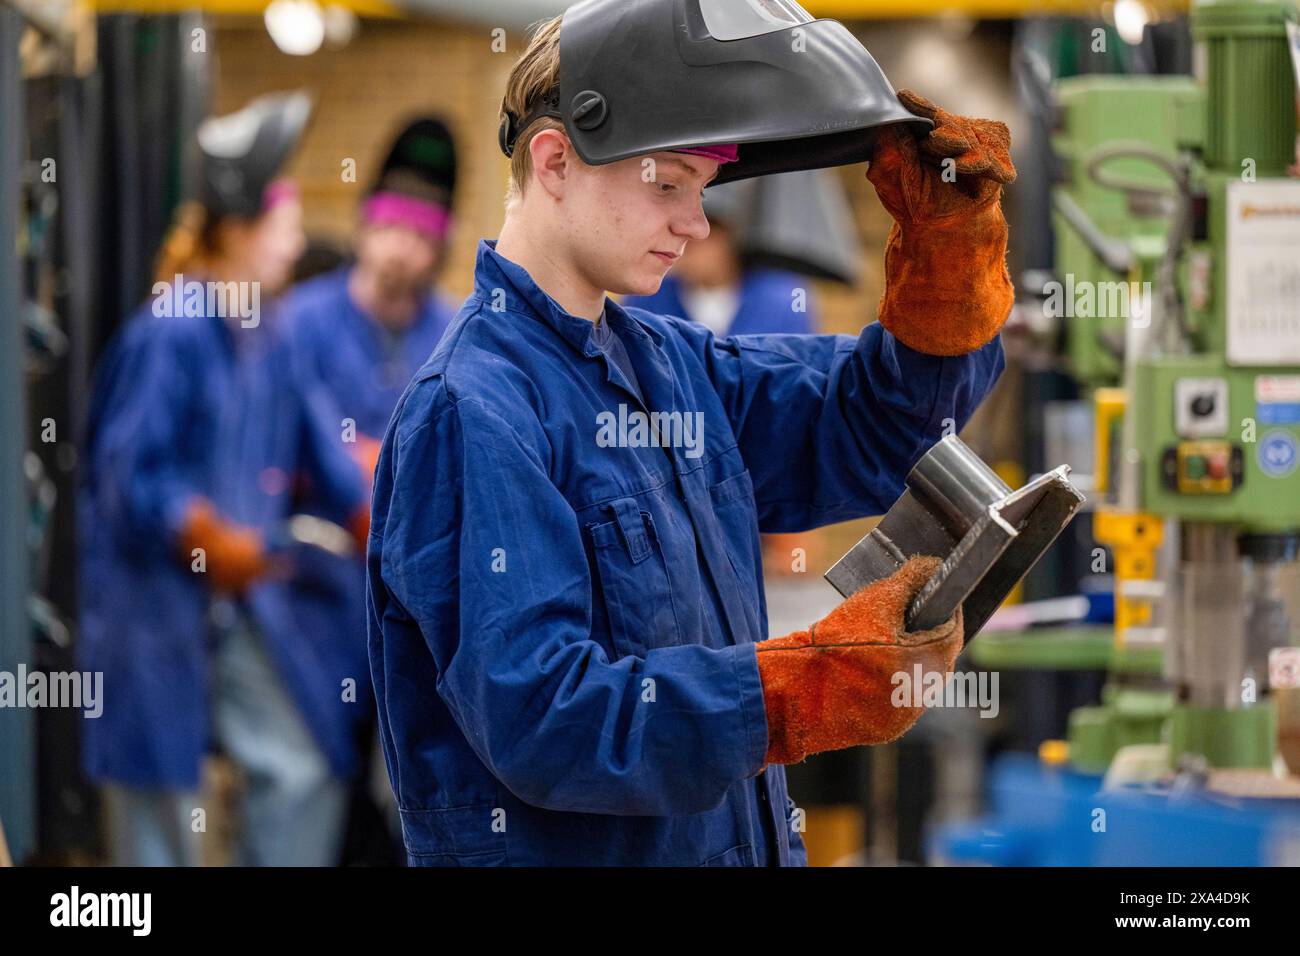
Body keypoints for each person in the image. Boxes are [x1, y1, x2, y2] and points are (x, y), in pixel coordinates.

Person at [367, 0, 1014, 866]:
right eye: (667, 183)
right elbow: (547, 718)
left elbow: (872, 426)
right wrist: (803, 683)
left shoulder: (672, 370)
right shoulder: (473, 410)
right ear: (556, 160)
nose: (696, 223)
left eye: (702, 188)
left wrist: (946, 263)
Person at [77, 92, 373, 866]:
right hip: (156, 609)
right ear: (240, 228)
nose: (298, 240)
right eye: (285, 222)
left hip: (240, 603)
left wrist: (375, 514)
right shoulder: (171, 332)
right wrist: (204, 532)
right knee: (162, 815)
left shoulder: (266, 331)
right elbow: (130, 475)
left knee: (300, 765)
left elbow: (321, 447)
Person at [279, 118, 460, 857]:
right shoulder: (297, 325)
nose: (402, 249)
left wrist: (386, 469)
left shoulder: (454, 335)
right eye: (389, 228)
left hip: (410, 604)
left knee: (405, 796)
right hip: (306, 606)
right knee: (309, 788)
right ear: (363, 226)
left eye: (421, 236)